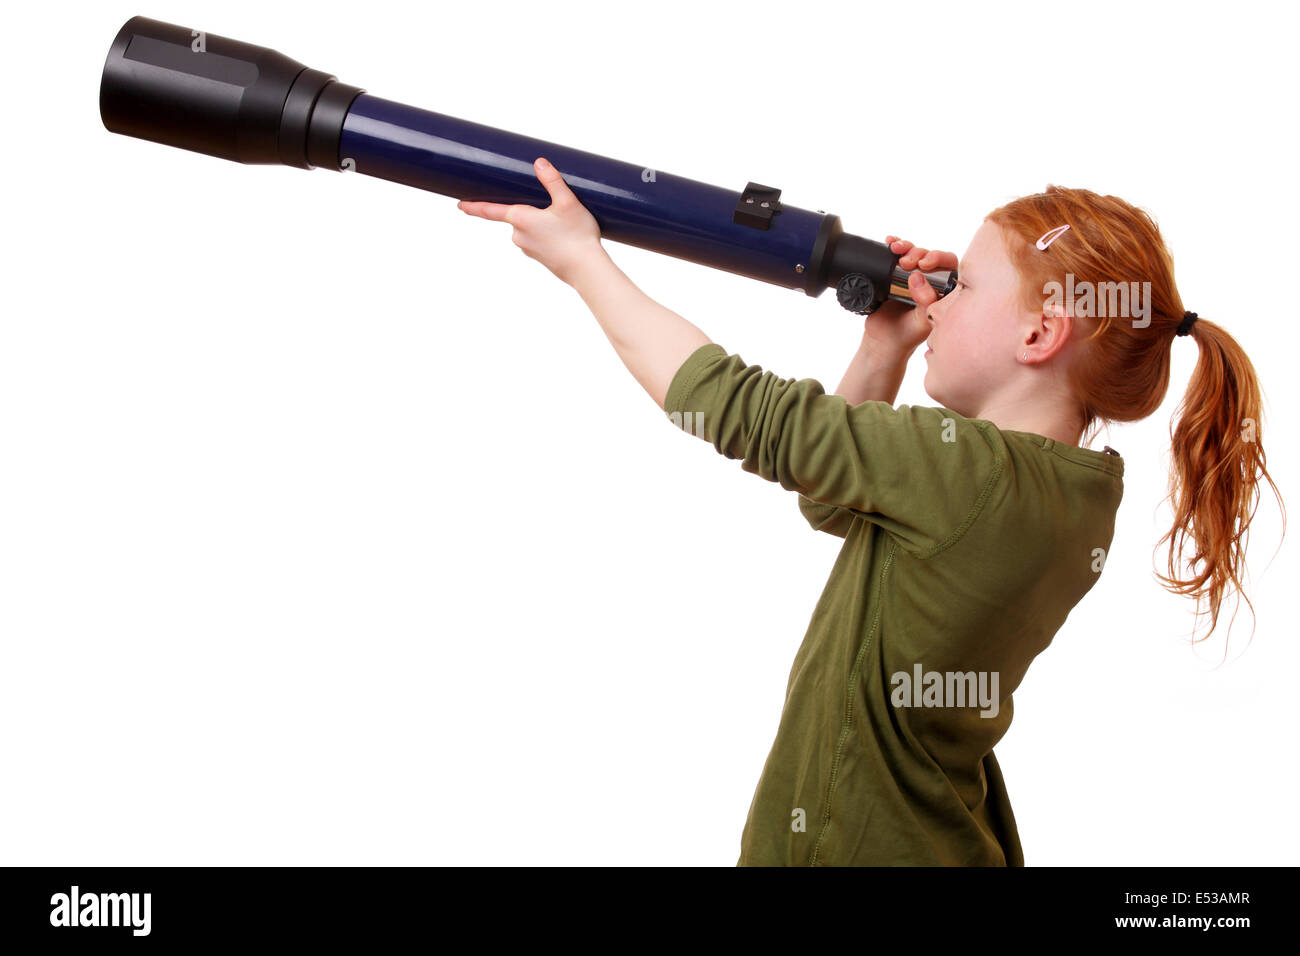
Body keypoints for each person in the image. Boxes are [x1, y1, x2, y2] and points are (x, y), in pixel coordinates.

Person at [458, 159, 1284, 866]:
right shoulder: (1070, 487)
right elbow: (832, 501)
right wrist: (884, 345)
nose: (938, 299)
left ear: (1040, 334)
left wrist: (583, 264)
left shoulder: (970, 473)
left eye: (965, 288)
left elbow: (738, 410)